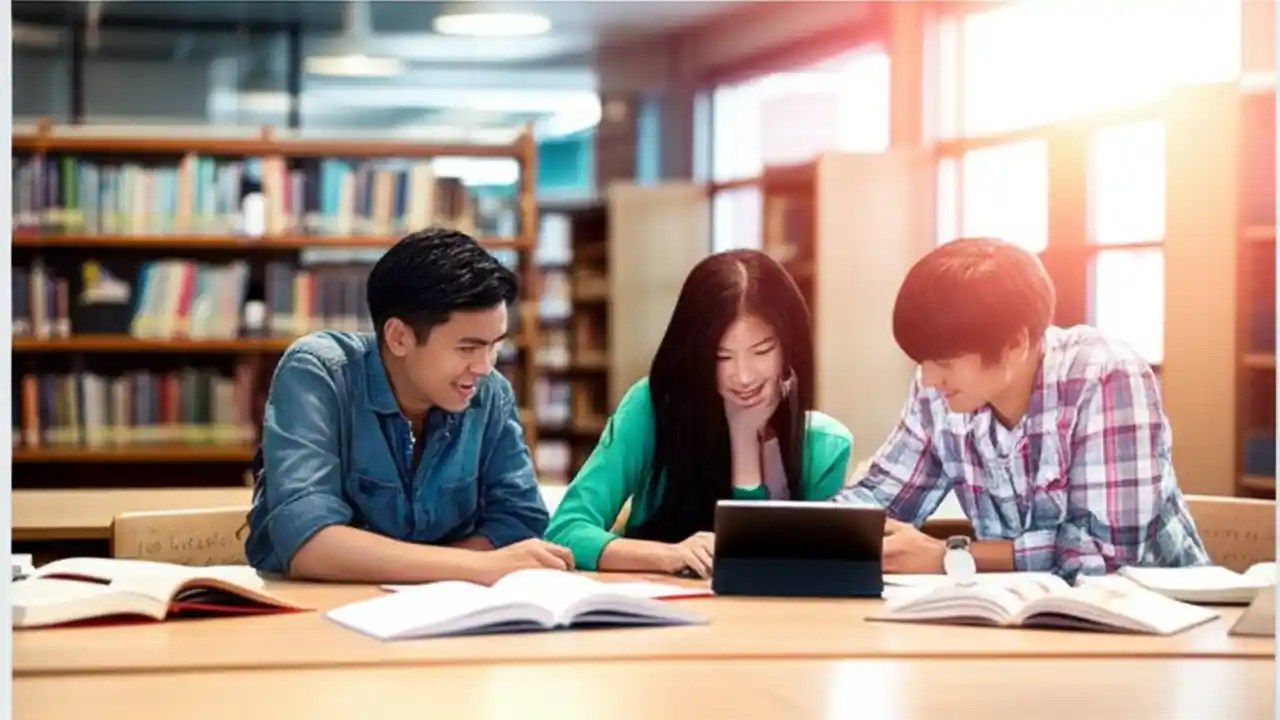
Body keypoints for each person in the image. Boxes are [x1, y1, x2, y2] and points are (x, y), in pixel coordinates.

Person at [835, 237, 1209, 580]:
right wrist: (804, 528)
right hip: (1022, 616)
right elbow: (881, 498)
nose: (930, 379)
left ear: (1016, 344)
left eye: (945, 362)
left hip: (1155, 619)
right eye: (923, 361)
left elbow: (1105, 555)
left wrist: (950, 555)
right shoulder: (939, 391)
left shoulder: (1105, 374)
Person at [245, 228, 572, 584]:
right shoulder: (318, 373)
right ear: (399, 337)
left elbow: (519, 523)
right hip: (310, 613)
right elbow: (307, 542)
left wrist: (436, 573)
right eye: (467, 348)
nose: (485, 366)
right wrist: (481, 567)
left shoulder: (491, 394)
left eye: (494, 345)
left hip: (446, 615)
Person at [546, 250, 853, 577]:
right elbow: (566, 531)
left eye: (762, 351)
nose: (744, 375)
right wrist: (668, 555)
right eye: (722, 357)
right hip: (657, 616)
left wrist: (746, 443)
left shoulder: (824, 447)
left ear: (789, 348)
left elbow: (813, 566)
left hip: (776, 623)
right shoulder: (652, 407)